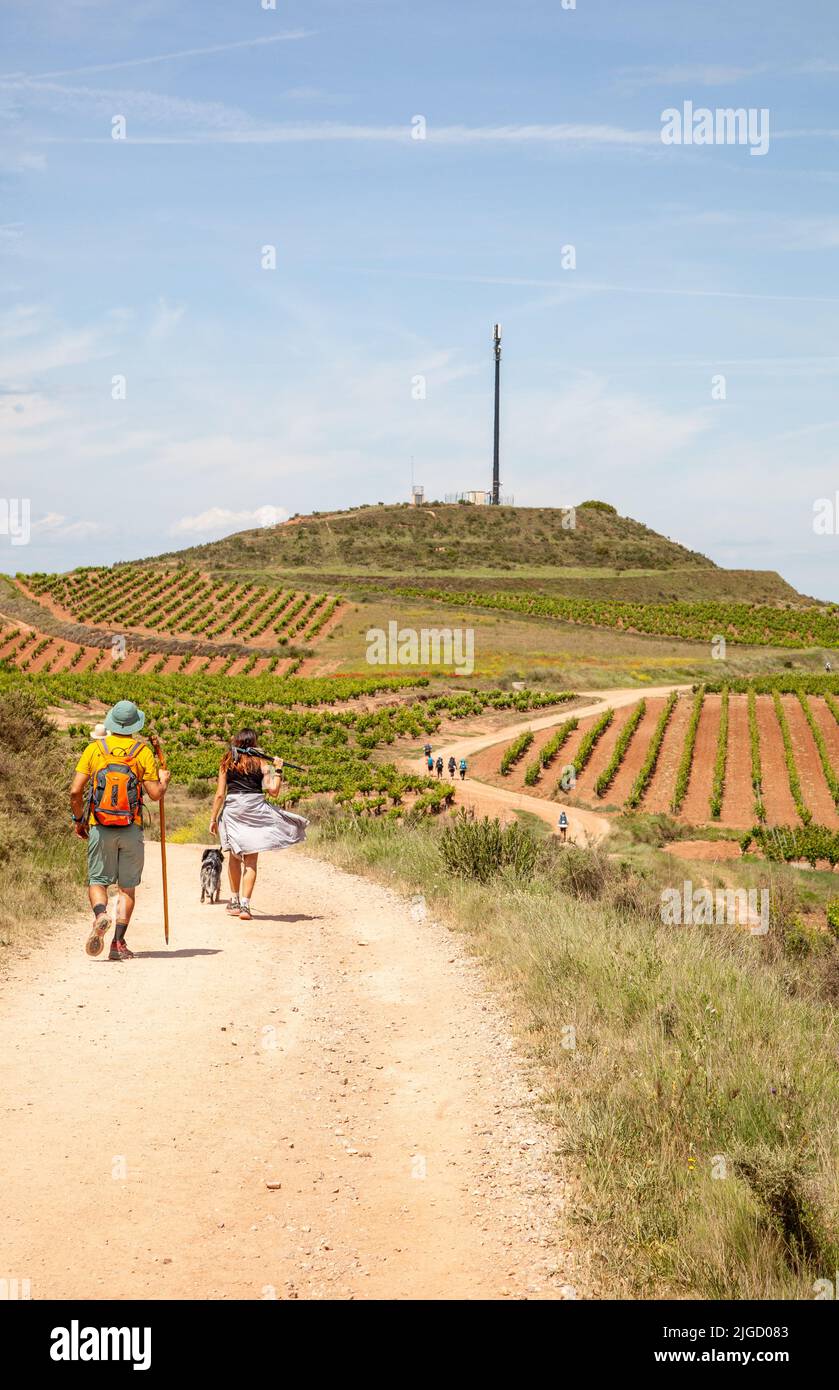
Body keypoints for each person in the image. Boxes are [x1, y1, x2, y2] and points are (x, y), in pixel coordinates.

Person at [70, 699, 170, 961]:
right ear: (135, 724)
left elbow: (75, 790)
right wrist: (163, 781)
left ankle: (101, 914)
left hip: (100, 826)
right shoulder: (143, 752)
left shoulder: (95, 749)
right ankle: (117, 944)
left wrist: (79, 819)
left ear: (112, 722)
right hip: (131, 826)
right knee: (127, 888)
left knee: (97, 881)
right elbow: (155, 794)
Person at [209, 729, 308, 921]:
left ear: (236, 741)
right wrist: (278, 768)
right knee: (251, 861)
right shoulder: (263, 763)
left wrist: (213, 819)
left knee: (235, 858)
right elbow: (273, 791)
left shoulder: (227, 761)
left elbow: (220, 794)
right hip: (255, 809)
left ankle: (234, 901)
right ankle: (245, 906)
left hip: (234, 809)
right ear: (254, 743)